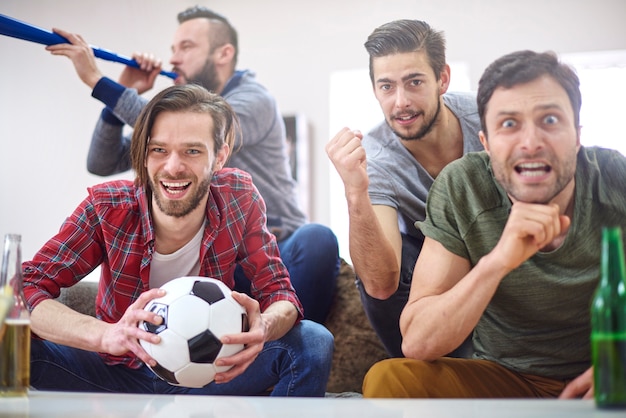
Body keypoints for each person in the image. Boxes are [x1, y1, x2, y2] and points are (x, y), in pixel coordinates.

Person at [23, 84, 334, 396]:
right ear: (144, 154)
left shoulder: (239, 198)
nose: (173, 167)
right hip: (117, 374)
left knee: (313, 342)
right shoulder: (107, 208)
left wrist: (264, 328)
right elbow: (23, 289)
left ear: (219, 157)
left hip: (212, 375)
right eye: (159, 150)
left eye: (192, 151)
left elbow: (280, 293)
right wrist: (105, 335)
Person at [45, 6, 339, 323]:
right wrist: (119, 98)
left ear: (223, 53)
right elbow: (101, 162)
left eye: (186, 47)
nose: (173, 59)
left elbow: (215, 123)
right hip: (219, 249)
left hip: (279, 245)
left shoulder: (255, 99)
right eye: (173, 48)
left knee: (318, 238)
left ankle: (288, 341)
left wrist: (97, 81)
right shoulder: (181, 133)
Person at [362, 50, 626, 398]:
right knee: (389, 380)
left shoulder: (613, 178)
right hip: (506, 379)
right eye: (509, 124)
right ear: (486, 143)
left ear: (576, 136)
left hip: (608, 369)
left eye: (549, 120)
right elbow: (417, 340)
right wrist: (498, 261)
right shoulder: (463, 187)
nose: (530, 143)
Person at [326, 19, 482, 357]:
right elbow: (380, 285)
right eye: (387, 86)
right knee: (394, 256)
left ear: (443, 79)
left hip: (501, 256)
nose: (400, 102)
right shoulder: (377, 158)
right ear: (374, 90)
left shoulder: (486, 118)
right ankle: (427, 367)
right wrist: (355, 191)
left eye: (414, 82)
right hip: (436, 282)